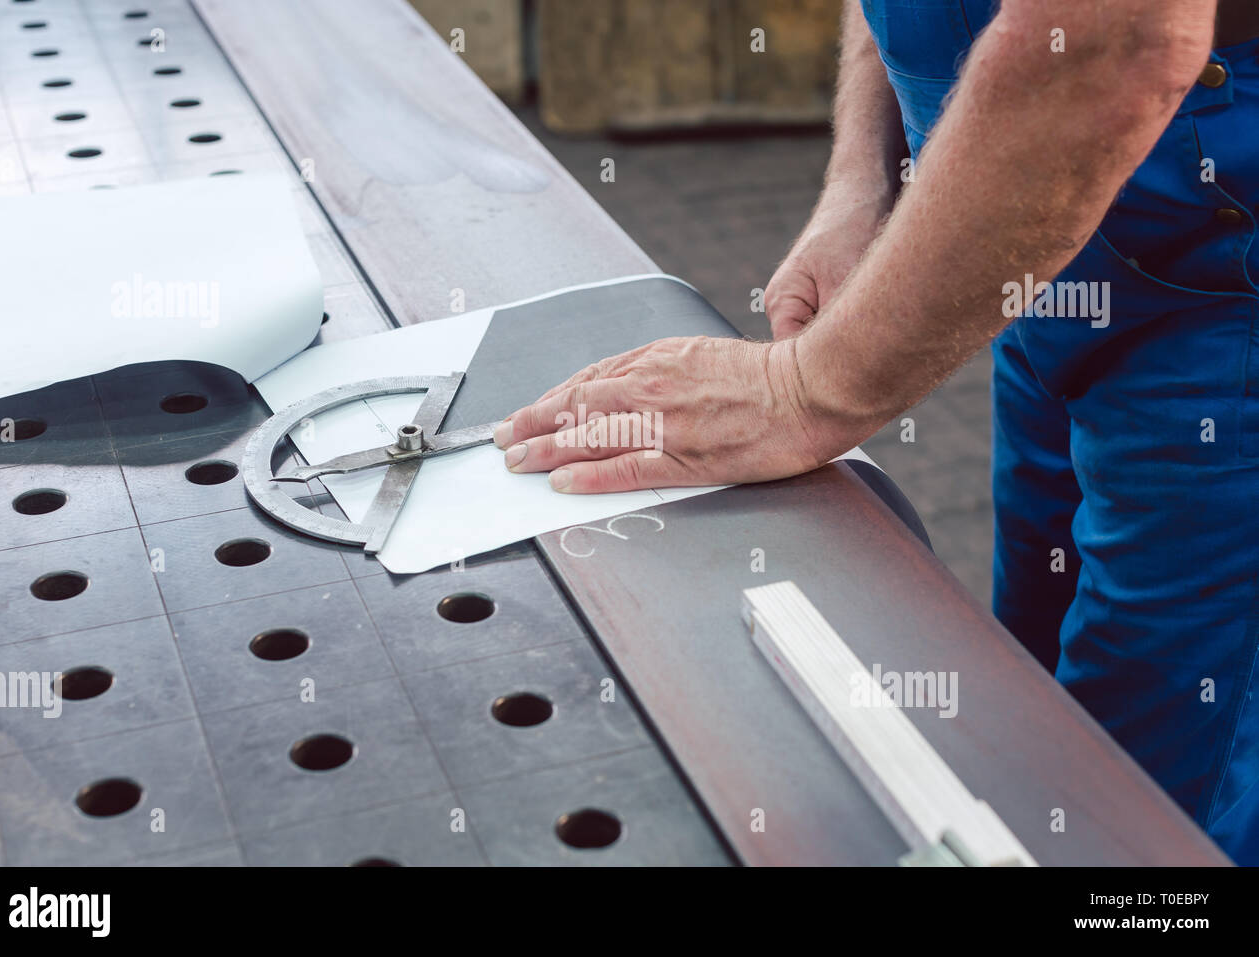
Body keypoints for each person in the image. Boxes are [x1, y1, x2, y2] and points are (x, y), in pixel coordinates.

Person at [493, 0, 1258, 864]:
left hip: (1213, 271)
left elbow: (1119, 38)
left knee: (1139, 801)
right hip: (1042, 239)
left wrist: (800, 392)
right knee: (1037, 714)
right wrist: (868, 178)